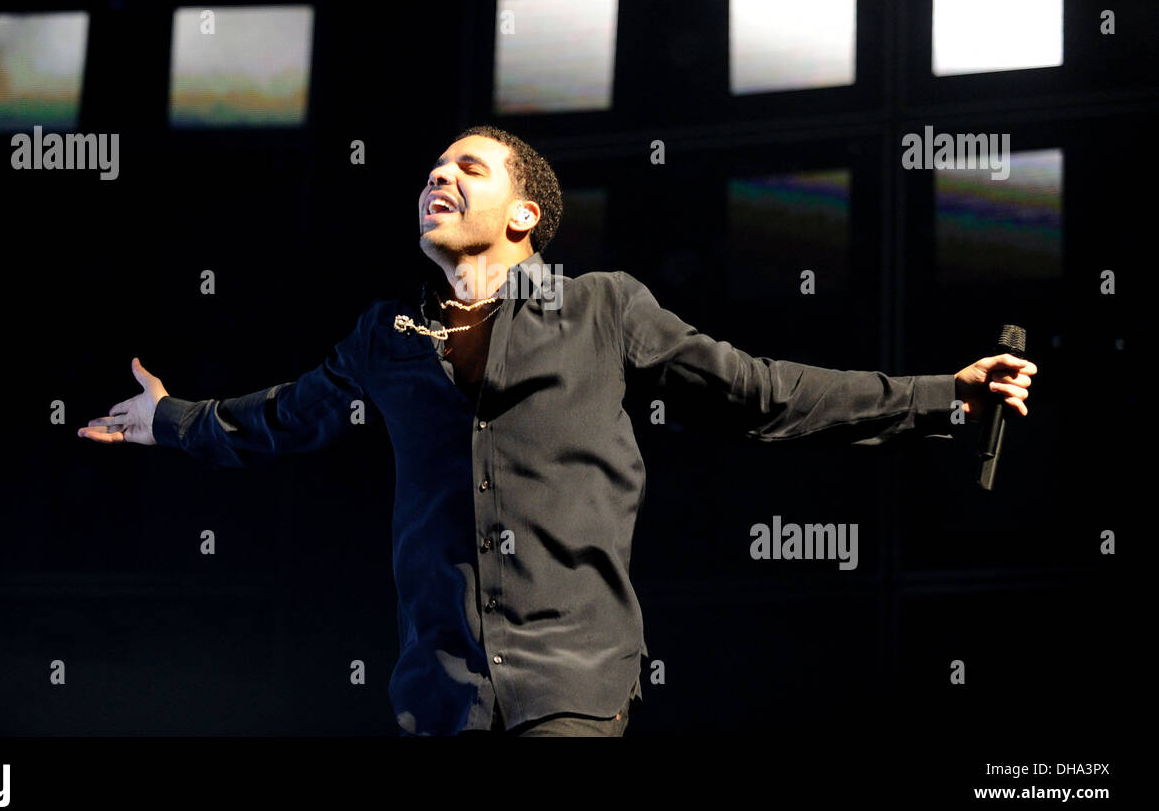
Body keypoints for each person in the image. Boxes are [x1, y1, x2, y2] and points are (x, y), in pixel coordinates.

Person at [78, 124, 1037, 736]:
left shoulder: (601, 308)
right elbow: (285, 417)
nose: (439, 175)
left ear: (525, 213)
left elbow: (761, 392)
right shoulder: (388, 334)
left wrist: (941, 397)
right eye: (432, 168)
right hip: (439, 694)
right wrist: (169, 419)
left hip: (570, 688)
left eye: (468, 167)